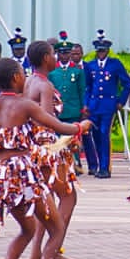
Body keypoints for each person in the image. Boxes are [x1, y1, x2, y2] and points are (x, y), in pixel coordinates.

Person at [0, 58, 92, 259]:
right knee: (55, 228)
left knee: (28, 228)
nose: (25, 78)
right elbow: (57, 126)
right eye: (22, 75)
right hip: (21, 174)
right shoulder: (25, 106)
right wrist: (80, 127)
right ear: (15, 78)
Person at [25, 41, 84, 259]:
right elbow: (49, 121)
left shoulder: (28, 81)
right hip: (46, 146)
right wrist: (75, 132)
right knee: (68, 196)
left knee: (46, 198)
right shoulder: (44, 85)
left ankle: (37, 250)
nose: (55, 57)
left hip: (32, 144)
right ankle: (54, 248)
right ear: (45, 59)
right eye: (52, 54)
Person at [82, 29, 130, 178]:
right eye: (99, 51)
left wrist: (120, 101)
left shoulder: (115, 64)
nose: (101, 53)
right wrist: (86, 103)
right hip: (94, 105)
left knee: (104, 133)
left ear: (108, 51)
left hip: (108, 105)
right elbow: (88, 86)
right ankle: (97, 165)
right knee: (95, 135)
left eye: (104, 51)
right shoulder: (90, 66)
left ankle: (105, 168)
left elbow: (127, 83)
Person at [48, 32, 86, 172]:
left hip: (73, 109)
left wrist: (83, 109)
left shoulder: (77, 71)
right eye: (62, 53)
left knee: (72, 139)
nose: (64, 56)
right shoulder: (53, 72)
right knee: (59, 139)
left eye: (67, 53)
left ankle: (75, 163)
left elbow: (82, 90)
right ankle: (61, 164)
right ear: (58, 54)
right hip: (59, 111)